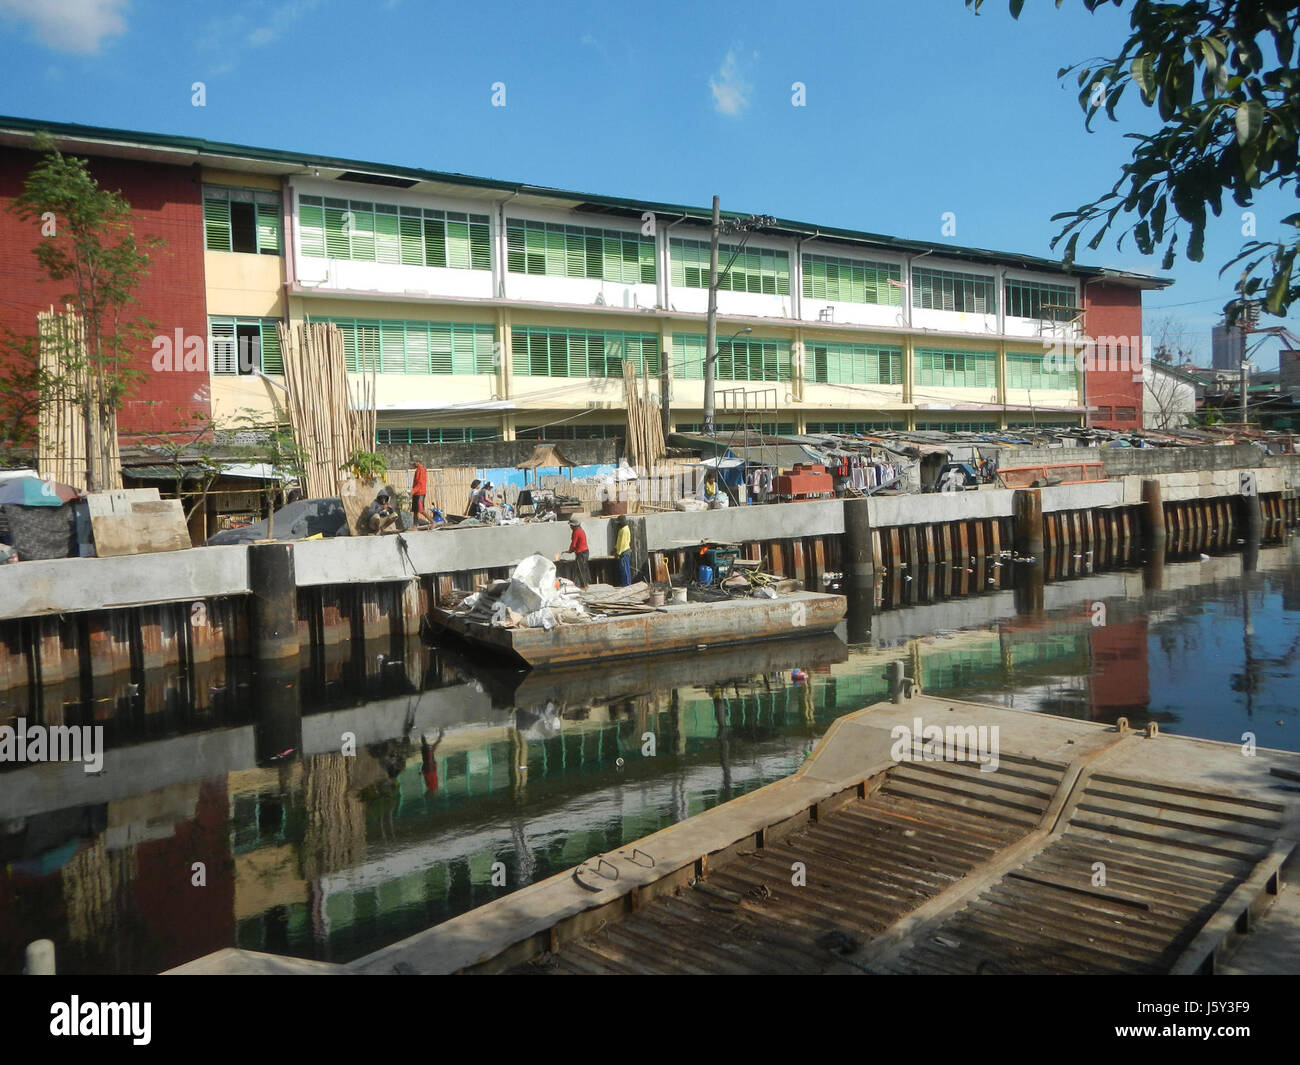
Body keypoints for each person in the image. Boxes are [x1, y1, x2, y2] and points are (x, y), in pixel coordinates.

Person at [556, 516, 591, 588]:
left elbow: (573, 544)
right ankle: (586, 584)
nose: (570, 527)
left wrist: (569, 551)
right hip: (585, 552)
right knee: (584, 568)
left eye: (571, 525)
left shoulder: (576, 532)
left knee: (580, 570)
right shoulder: (581, 530)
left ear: (573, 525)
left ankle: (583, 585)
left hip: (581, 553)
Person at [410, 461, 433, 528]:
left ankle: (433, 522)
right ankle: (414, 526)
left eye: (414, 463)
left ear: (418, 462)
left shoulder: (421, 470)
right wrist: (413, 491)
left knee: (421, 509)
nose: (413, 465)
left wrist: (413, 491)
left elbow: (420, 483)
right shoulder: (417, 470)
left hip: (420, 493)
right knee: (415, 510)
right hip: (416, 492)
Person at [614, 515, 633, 587]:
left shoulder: (625, 530)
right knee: (622, 569)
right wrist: (615, 548)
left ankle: (627, 584)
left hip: (624, 552)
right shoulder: (621, 530)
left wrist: (618, 553)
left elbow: (623, 543)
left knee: (625, 570)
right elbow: (618, 542)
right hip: (622, 552)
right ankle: (624, 584)